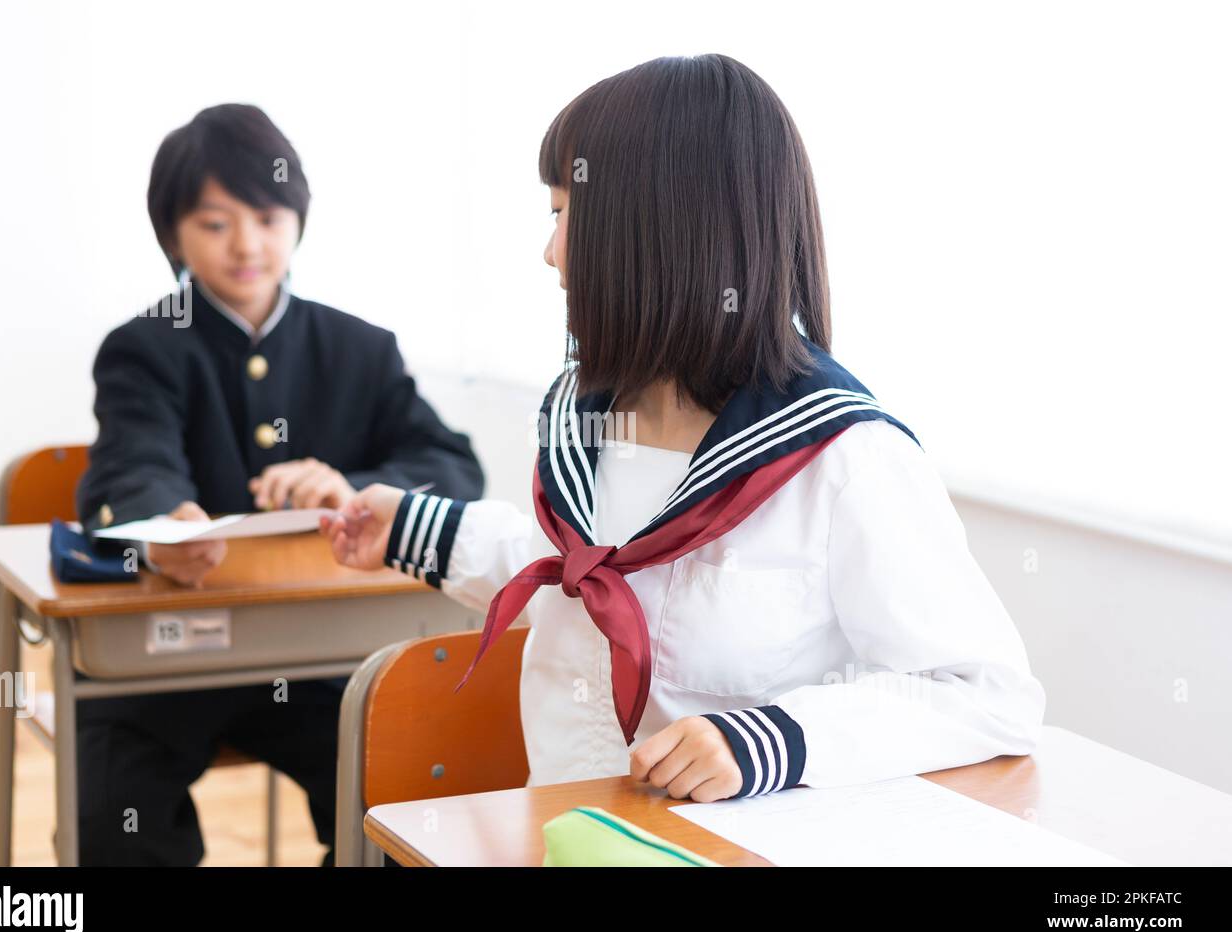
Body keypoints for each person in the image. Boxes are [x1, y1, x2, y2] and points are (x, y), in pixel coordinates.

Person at [321, 55, 1045, 804]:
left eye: (567, 215)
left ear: (662, 232)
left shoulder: (844, 458)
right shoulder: (587, 413)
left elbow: (984, 692)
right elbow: (578, 577)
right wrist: (411, 525)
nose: (550, 252)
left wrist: (770, 740)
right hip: (563, 839)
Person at [74, 103, 484, 864]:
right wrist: (166, 527)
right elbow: (130, 467)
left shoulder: (360, 347)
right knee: (115, 816)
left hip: (321, 657)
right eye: (214, 223)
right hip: (162, 658)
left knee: (402, 801)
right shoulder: (143, 347)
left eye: (266, 216)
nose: (247, 245)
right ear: (174, 235)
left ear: (297, 217)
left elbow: (452, 465)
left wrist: (354, 488)